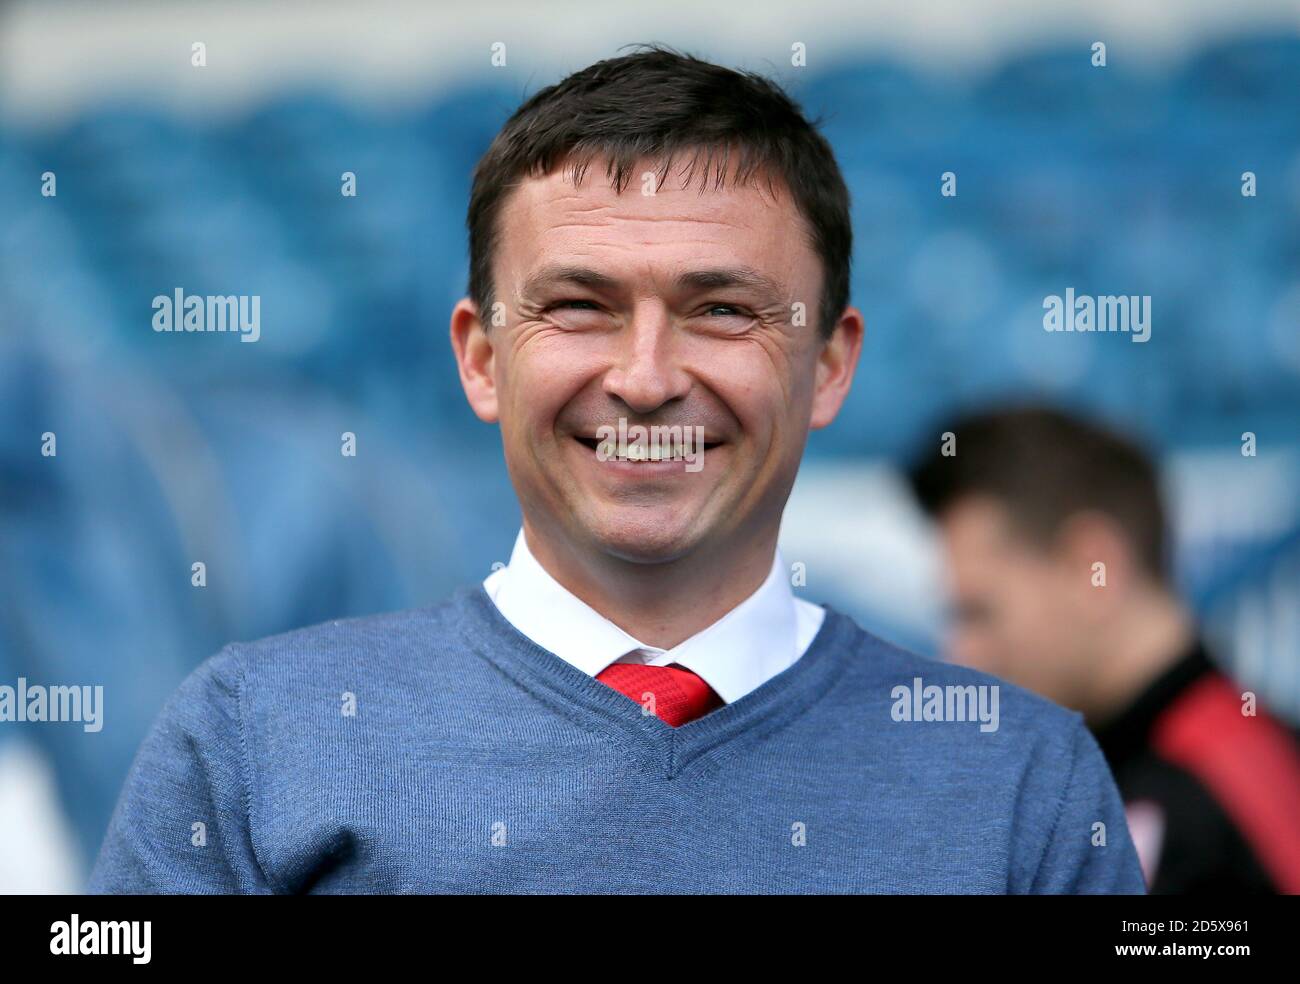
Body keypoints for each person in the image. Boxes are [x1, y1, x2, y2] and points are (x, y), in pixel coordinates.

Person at [88, 47, 1143, 894]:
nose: (643, 379)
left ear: (827, 364)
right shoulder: (250, 739)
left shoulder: (1019, 782)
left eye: (721, 310)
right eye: (579, 306)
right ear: (481, 357)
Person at [908, 404, 1300, 893]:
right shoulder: (1090, 778)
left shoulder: (1240, 779)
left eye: (979, 613)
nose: (958, 654)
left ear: (1091, 566)